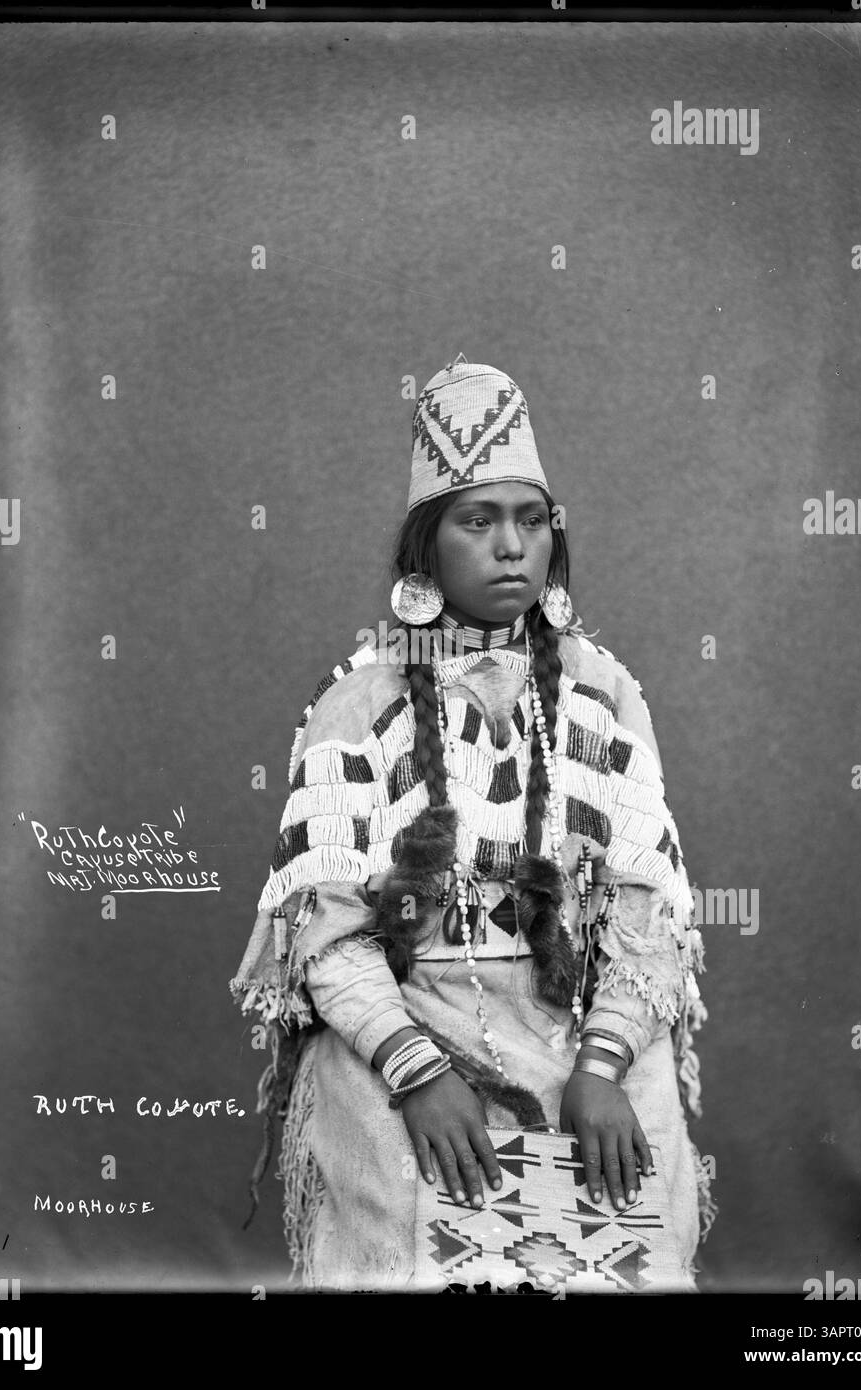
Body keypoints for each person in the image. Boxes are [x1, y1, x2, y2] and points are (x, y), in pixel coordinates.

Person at [231, 357, 712, 1291]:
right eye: (477, 520)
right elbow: (322, 929)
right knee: (387, 1170)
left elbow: (651, 909)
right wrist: (414, 1070)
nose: (510, 548)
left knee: (638, 1166)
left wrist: (604, 1062)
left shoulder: (602, 695)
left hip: (573, 1027)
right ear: (427, 549)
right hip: (405, 1026)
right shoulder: (358, 702)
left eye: (530, 520)